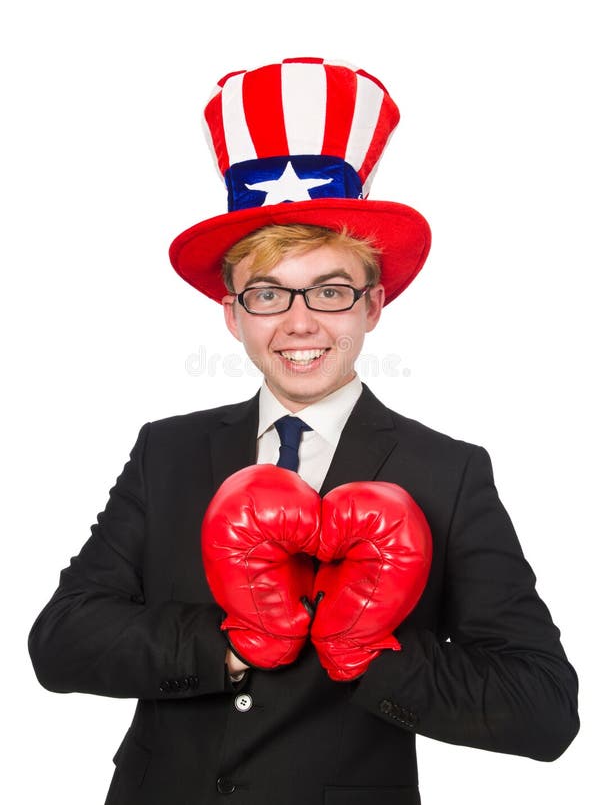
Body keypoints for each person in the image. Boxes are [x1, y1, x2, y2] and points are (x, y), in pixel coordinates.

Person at [28, 58, 579, 805]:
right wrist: (229, 640)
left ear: (372, 307)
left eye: (329, 289)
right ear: (232, 314)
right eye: (267, 292)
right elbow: (60, 642)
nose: (298, 322)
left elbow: (543, 708)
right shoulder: (169, 450)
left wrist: (363, 650)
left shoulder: (446, 471)